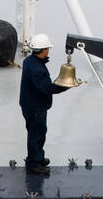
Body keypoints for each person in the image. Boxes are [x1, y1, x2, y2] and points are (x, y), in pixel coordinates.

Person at [19, 33, 71, 173]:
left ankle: (38, 157)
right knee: (37, 134)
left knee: (36, 132)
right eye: (47, 48)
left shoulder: (29, 61)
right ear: (44, 50)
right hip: (36, 107)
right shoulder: (38, 69)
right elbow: (46, 88)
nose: (48, 50)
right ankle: (34, 164)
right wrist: (65, 85)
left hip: (29, 103)